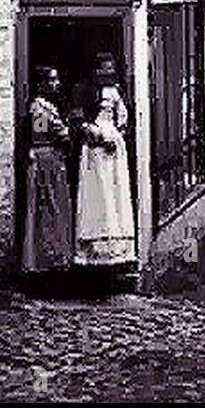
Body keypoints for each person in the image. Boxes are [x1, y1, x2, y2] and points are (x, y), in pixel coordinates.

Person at [73, 53, 136, 267]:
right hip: (95, 149)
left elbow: (123, 117)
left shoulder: (116, 91)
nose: (107, 73)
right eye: (103, 69)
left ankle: (116, 248)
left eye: (110, 69)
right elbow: (79, 120)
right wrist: (98, 135)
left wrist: (117, 134)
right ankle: (94, 250)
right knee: (97, 193)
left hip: (114, 148)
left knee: (115, 192)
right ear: (96, 70)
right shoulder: (84, 91)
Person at [21, 65, 73, 273]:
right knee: (46, 206)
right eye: (51, 80)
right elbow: (41, 134)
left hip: (52, 159)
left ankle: (54, 255)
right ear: (42, 84)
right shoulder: (40, 109)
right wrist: (65, 134)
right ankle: (46, 257)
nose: (56, 84)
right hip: (46, 162)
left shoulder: (47, 107)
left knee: (54, 206)